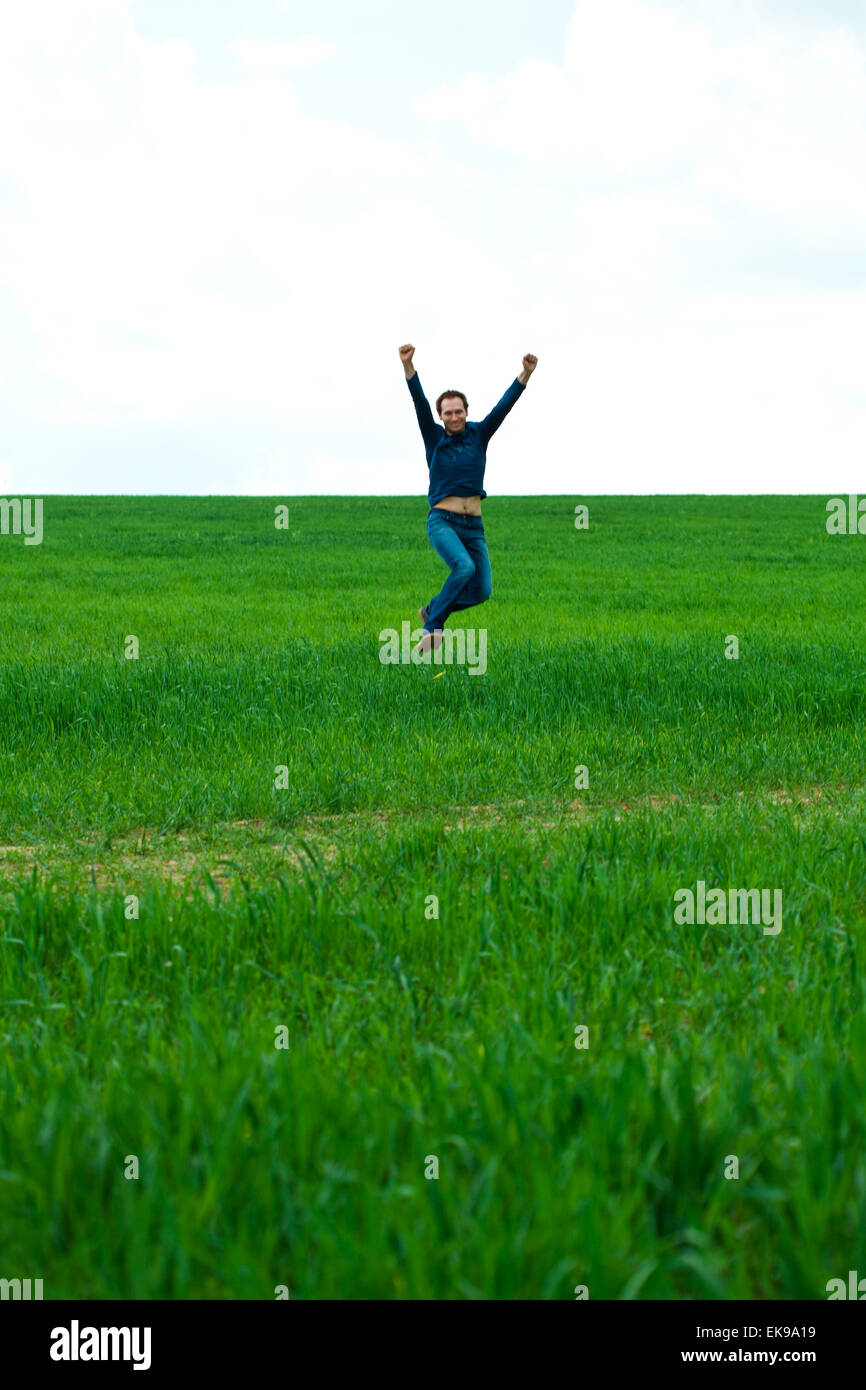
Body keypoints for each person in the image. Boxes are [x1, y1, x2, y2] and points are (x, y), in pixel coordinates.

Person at [399, 344, 538, 653]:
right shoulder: (434, 438)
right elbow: (419, 402)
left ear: (466, 411)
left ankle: (432, 609)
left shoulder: (479, 434)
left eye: (458, 411)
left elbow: (503, 407)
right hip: (442, 522)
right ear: (440, 416)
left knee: (481, 590)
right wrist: (409, 367)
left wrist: (525, 374)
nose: (454, 416)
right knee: (463, 567)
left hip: (474, 527)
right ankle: (432, 626)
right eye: (447, 412)